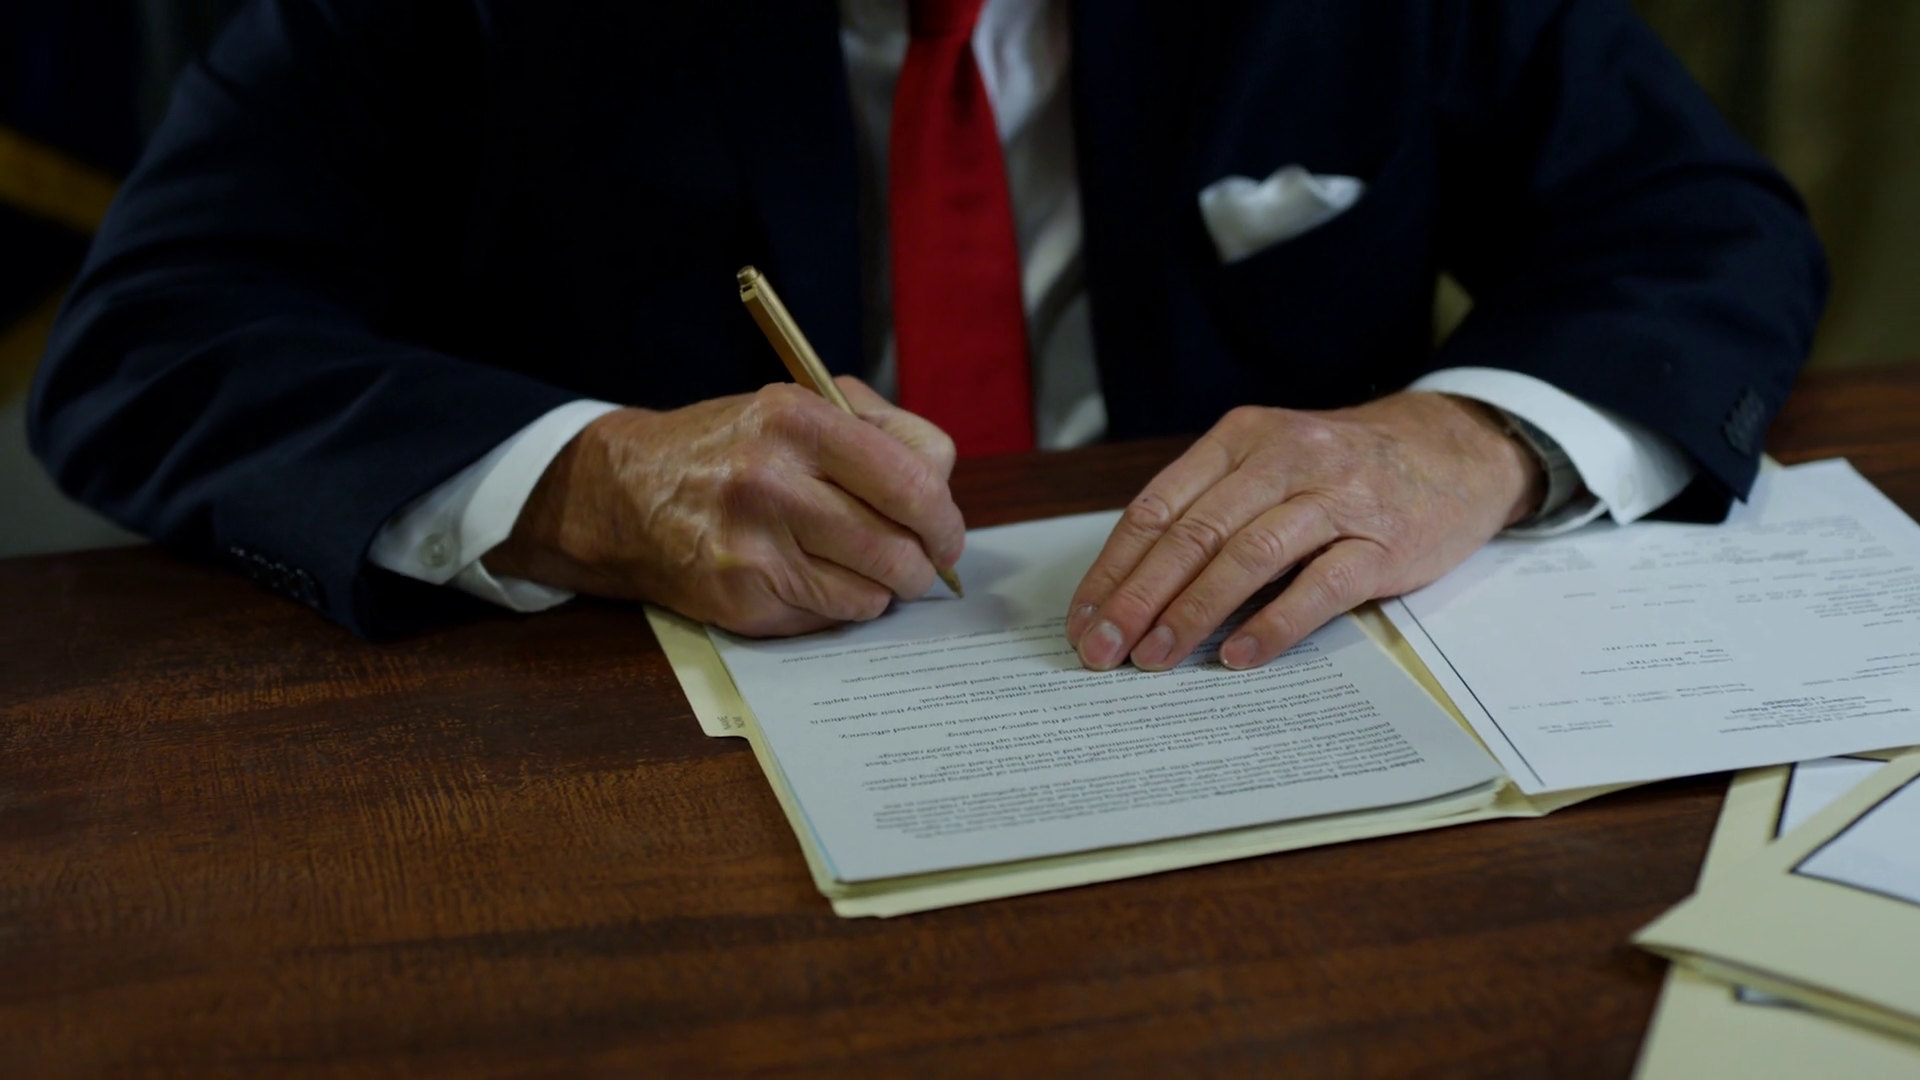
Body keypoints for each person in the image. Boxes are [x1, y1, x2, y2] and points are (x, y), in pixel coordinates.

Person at [30, 0, 1826, 674]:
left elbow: (1698, 220)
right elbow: (148, 337)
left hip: (1251, 729)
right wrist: (579, 481)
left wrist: (1464, 440)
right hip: (632, 780)